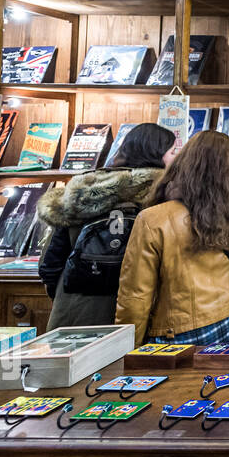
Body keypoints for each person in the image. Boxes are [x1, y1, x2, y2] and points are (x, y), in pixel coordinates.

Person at [116, 130, 229, 345]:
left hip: (175, 330)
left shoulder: (152, 219)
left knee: (175, 379)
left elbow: (136, 296)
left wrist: (129, 347)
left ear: (183, 164)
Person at [37, 123, 176, 331]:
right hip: (137, 314)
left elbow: (50, 262)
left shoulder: (82, 190)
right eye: (172, 151)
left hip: (76, 313)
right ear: (156, 155)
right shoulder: (163, 197)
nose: (176, 158)